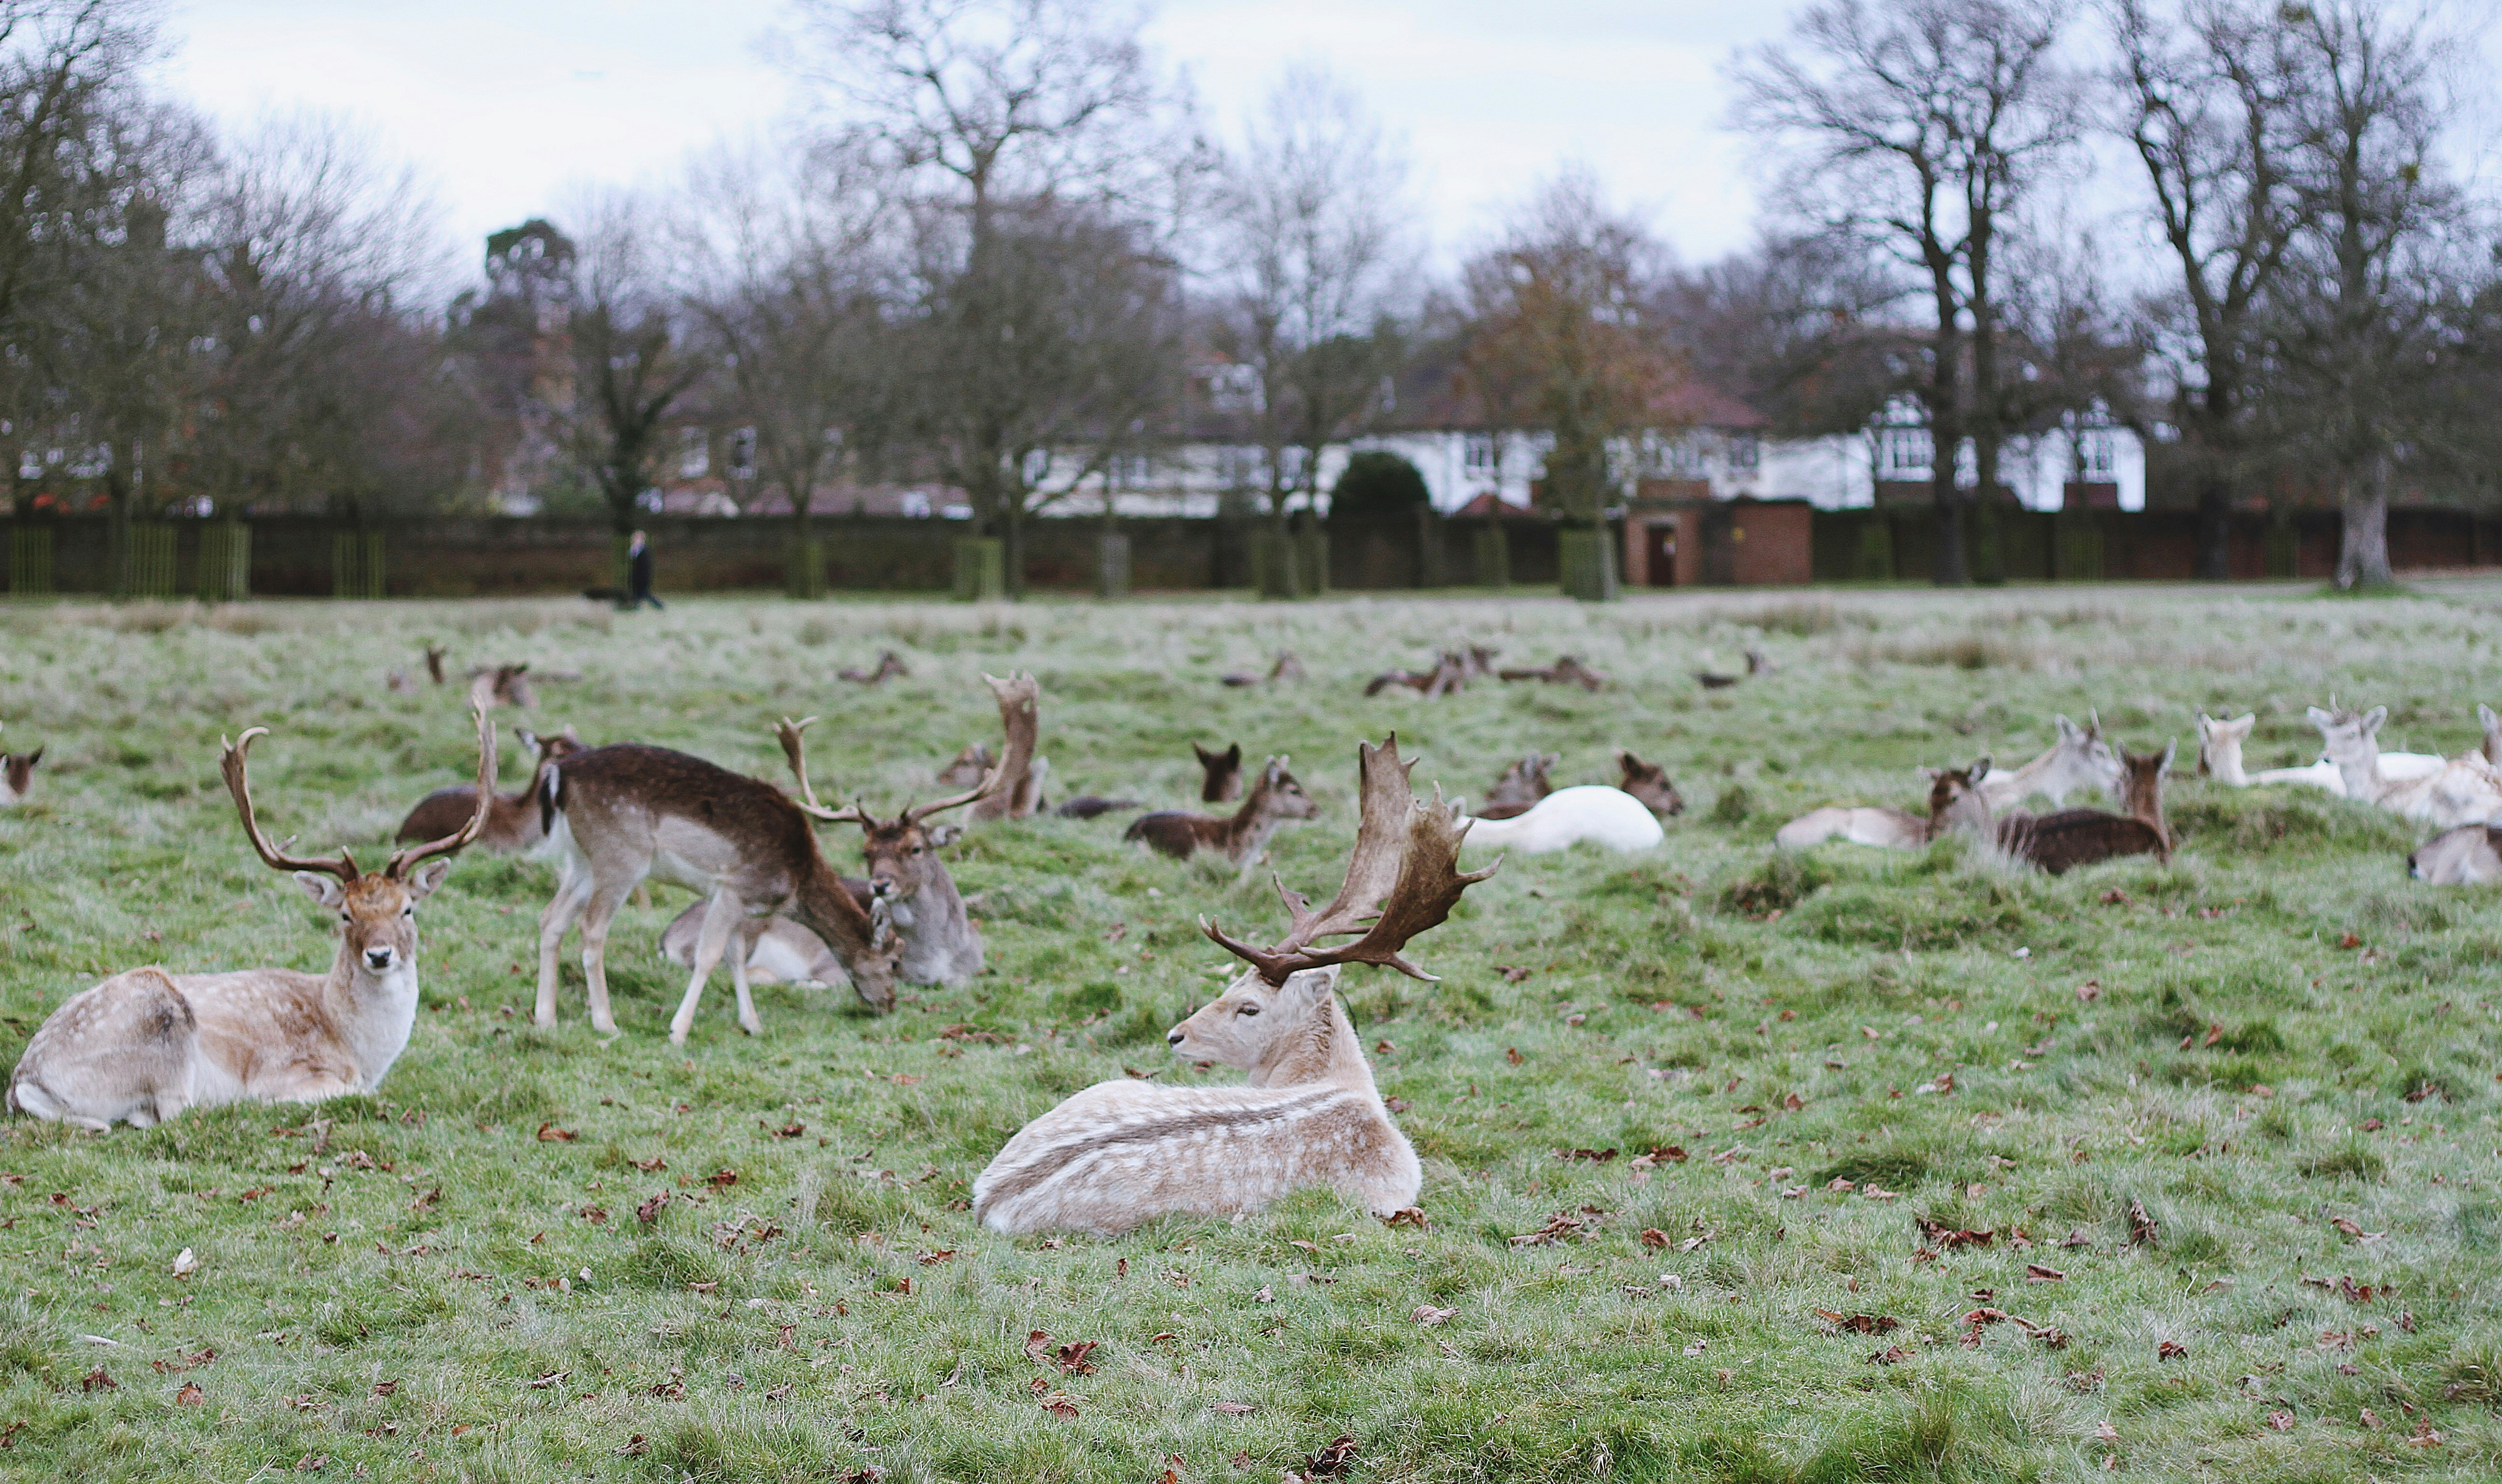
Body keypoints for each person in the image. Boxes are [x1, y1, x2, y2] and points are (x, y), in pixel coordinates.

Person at [626, 529, 662, 610]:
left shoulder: (644, 550)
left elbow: (646, 566)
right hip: (636, 577)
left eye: (637, 538)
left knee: (644, 594)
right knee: (638, 594)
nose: (634, 540)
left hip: (643, 577)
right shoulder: (634, 550)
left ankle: (659, 606)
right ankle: (636, 607)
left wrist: (644, 577)